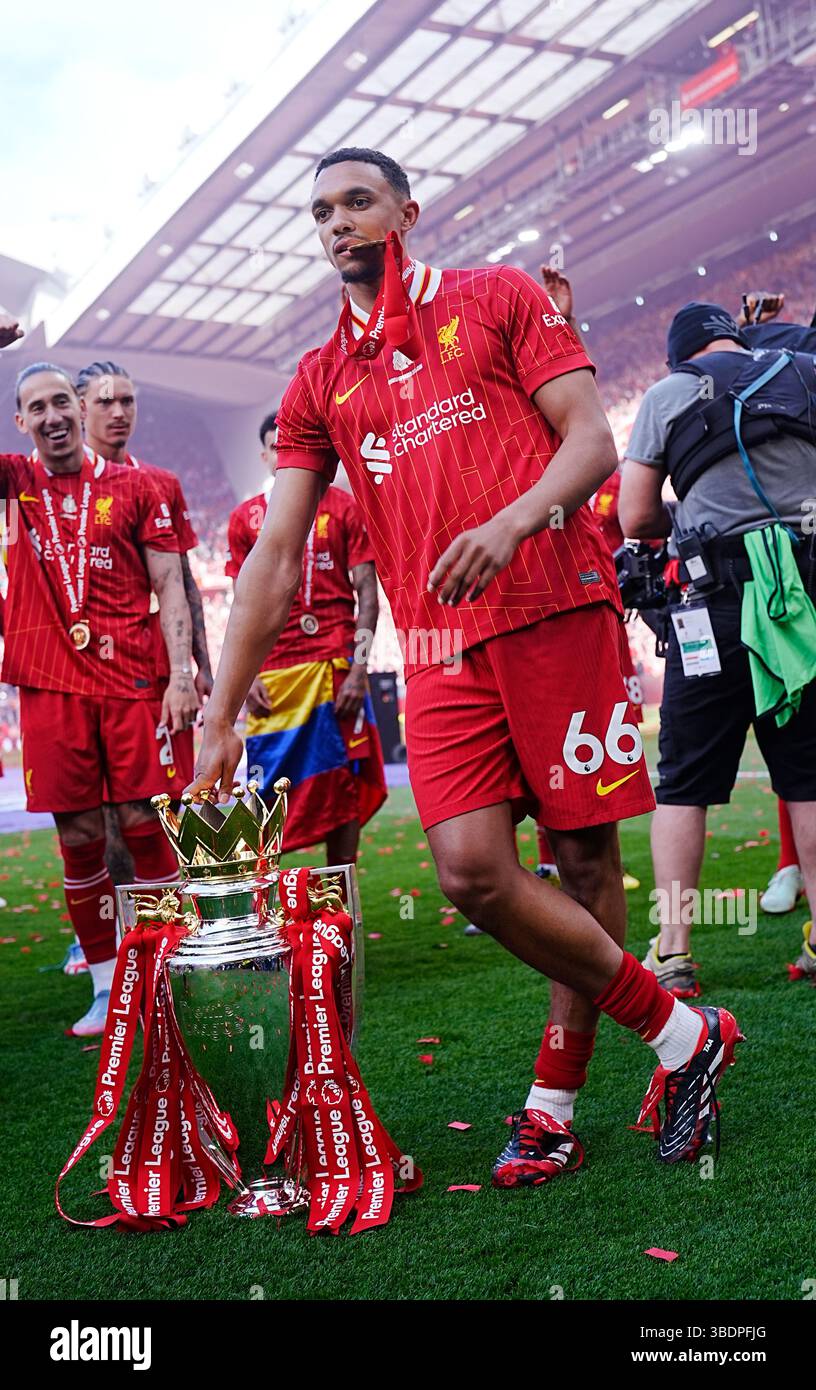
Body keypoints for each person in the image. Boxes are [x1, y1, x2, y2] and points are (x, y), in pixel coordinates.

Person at [188, 149, 743, 1182]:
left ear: (407, 208)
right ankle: (683, 1034)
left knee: (584, 864)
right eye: (321, 212)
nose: (339, 223)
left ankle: (552, 1106)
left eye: (358, 201)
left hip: (554, 607)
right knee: (472, 871)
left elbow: (590, 439)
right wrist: (221, 708)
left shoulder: (496, 297)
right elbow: (277, 553)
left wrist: (515, 517)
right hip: (438, 644)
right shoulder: (319, 380)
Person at [0, 318, 197, 1036]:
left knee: (147, 820)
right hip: (50, 686)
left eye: (63, 403)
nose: (54, 417)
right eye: (38, 407)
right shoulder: (14, 482)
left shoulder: (141, 487)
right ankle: (111, 985)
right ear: (21, 420)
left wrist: (182, 674)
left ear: (80, 410)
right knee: (79, 834)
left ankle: (171, 964)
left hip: (132, 679)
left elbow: (171, 583)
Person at [619, 300, 816, 995]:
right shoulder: (803, 370)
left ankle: (673, 952)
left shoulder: (669, 394)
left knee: (682, 784)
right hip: (801, 600)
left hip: (713, 606)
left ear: (679, 357)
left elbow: (636, 515)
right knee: (811, 775)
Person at [75, 360, 212, 893]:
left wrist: (196, 668)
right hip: (77, 672)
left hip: (145, 671)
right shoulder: (52, 486)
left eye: (127, 401)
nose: (119, 412)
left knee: (158, 801)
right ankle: (113, 924)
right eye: (106, 401)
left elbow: (182, 583)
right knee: (94, 809)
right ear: (80, 407)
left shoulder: (159, 482)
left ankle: (161, 920)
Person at [225, 410, 386, 862]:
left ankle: (339, 903)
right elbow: (243, 607)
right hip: (273, 679)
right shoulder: (245, 519)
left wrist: (359, 670)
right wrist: (243, 677)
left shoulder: (344, 506)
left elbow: (368, 597)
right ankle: (272, 914)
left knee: (344, 785)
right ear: (265, 456)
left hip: (334, 669)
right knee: (267, 794)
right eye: (277, 447)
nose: (286, 454)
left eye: (294, 444)